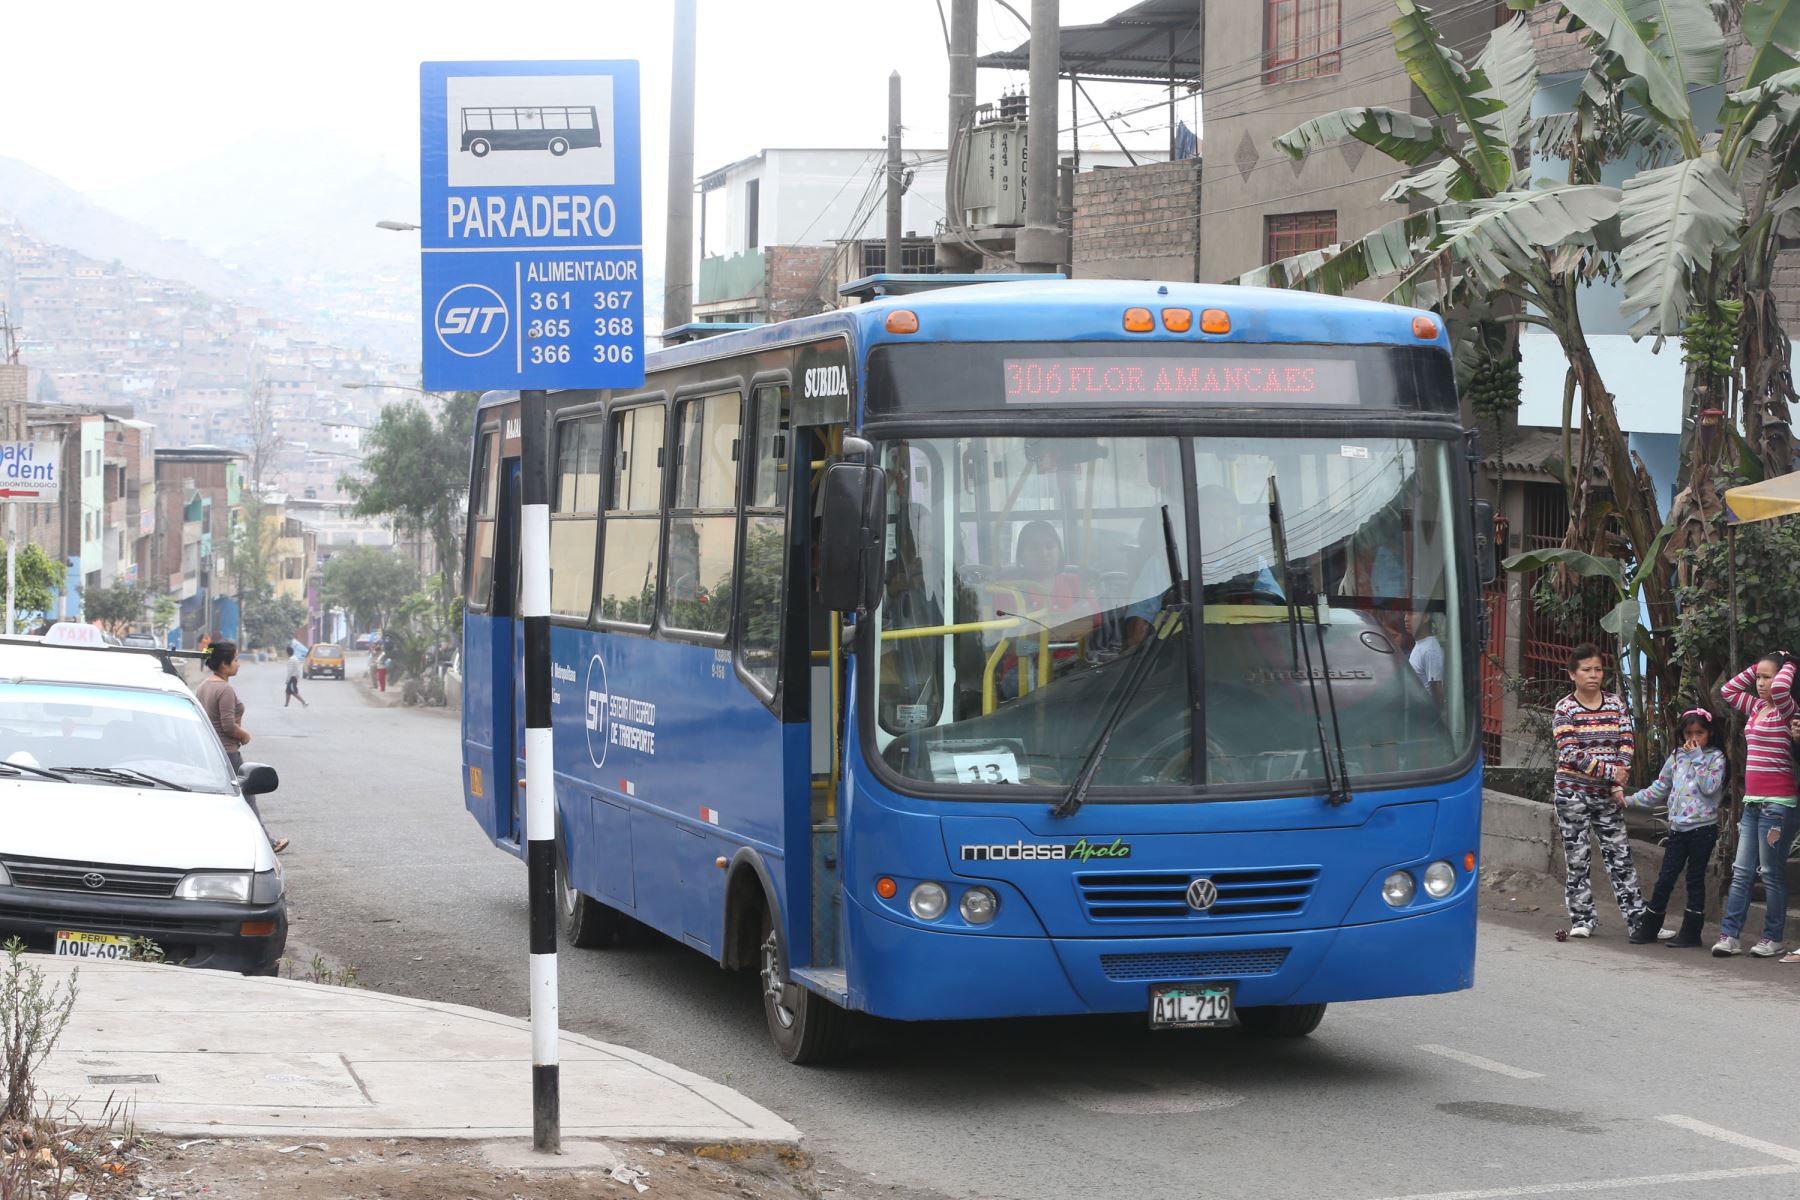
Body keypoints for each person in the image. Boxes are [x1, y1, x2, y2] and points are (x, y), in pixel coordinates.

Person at [1551, 642, 1648, 939]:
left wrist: (1618, 781)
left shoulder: (1616, 704)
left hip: (1607, 794)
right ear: (1573, 674)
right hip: (1572, 793)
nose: (1593, 675)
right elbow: (1571, 753)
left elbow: (1626, 743)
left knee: (1620, 856)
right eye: (1586, 670)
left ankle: (1638, 921)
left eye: (1597, 669)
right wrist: (1610, 772)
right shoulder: (1565, 708)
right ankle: (1582, 919)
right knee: (1577, 857)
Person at [1615, 708, 1725, 947]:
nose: (1693, 738)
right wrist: (1630, 801)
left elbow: (1710, 786)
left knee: (1695, 879)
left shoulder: (1715, 757)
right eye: (1688, 733)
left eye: (1699, 733)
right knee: (1665, 878)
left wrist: (1697, 756)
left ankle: (1691, 933)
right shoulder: (1676, 756)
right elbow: (1659, 788)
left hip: (1703, 829)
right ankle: (1650, 928)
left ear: (1710, 733)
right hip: (1678, 829)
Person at [1714, 653, 1799, 957]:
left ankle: (1772, 937)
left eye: (1767, 677)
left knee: (1771, 872)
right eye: (1758, 678)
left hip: (1778, 806)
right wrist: (1758, 666)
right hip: (1752, 804)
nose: (1761, 683)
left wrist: (1790, 662)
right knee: (1741, 871)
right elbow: (1728, 691)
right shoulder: (1757, 707)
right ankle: (1730, 936)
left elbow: (1781, 690)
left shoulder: (1788, 710)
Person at [196, 640, 288, 854]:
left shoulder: (203, 686)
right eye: (235, 660)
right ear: (224, 664)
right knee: (247, 797)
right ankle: (266, 842)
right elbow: (228, 725)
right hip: (229, 752)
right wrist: (244, 735)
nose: (238, 664)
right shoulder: (224, 689)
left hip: (209, 751)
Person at [1408, 611, 1445, 704]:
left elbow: (1437, 693)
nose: (1406, 619)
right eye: (1405, 614)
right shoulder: (1421, 644)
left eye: (1411, 613)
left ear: (1426, 617)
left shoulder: (1430, 649)